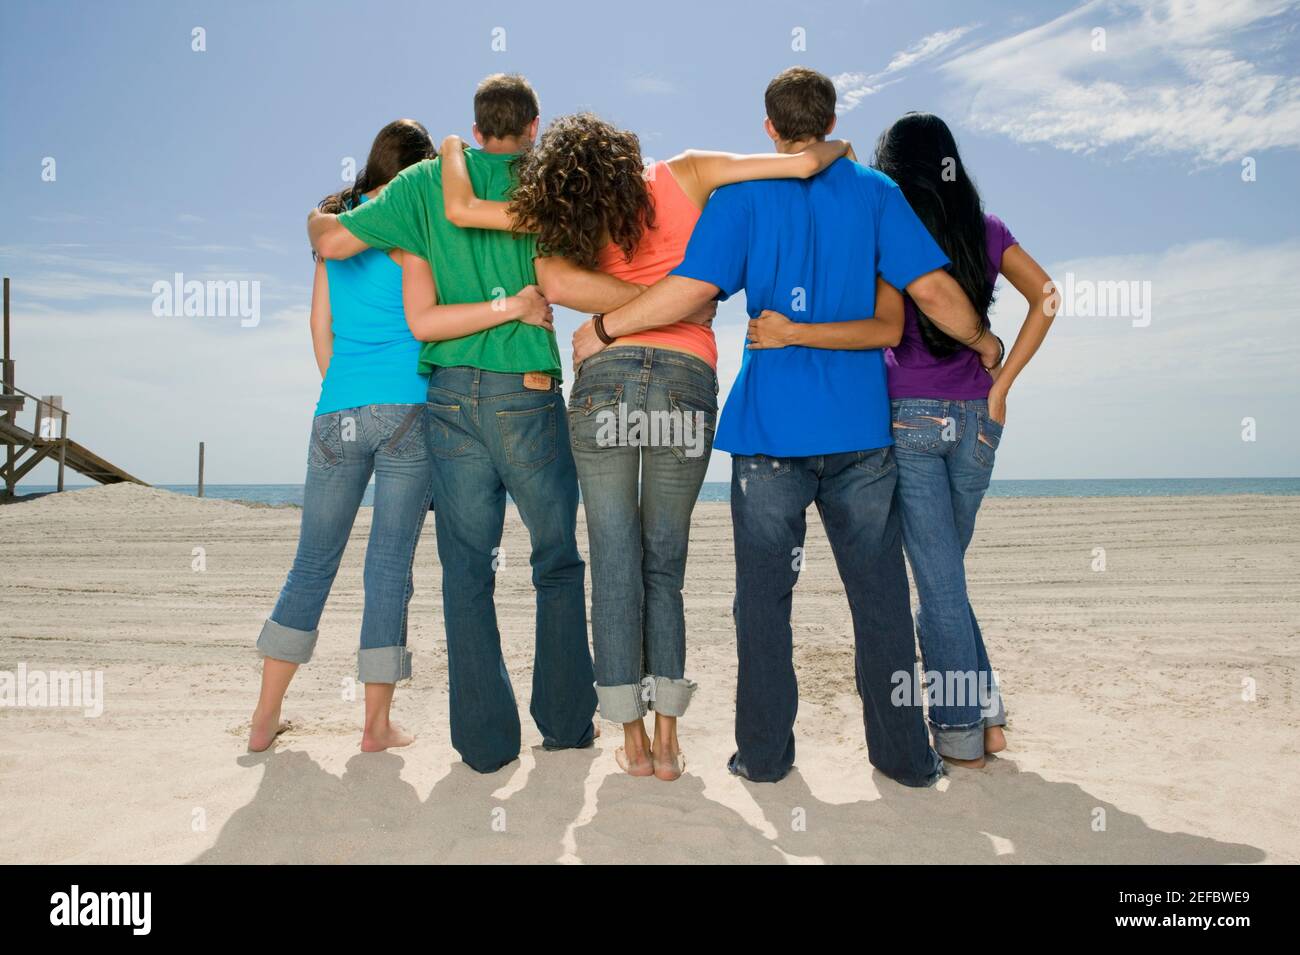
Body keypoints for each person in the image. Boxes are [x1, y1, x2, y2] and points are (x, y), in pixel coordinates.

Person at [594, 68, 1002, 786]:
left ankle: (764, 755)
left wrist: (606, 326)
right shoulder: (878, 193)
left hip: (769, 437)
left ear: (770, 129)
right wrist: (981, 341)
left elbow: (690, 290)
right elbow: (933, 291)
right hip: (861, 436)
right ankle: (905, 757)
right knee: (877, 600)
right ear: (832, 117)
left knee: (762, 603)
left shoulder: (740, 194)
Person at [438, 113, 850, 779]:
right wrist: (679, 305)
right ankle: (667, 738)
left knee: (612, 559)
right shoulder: (686, 171)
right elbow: (803, 166)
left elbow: (562, 286)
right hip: (685, 381)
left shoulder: (568, 215)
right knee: (665, 564)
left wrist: (623, 316)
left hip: (606, 383)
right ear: (625, 152)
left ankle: (626, 735)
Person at [306, 75, 597, 773]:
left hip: (449, 399)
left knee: (467, 570)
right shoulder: (548, 183)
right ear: (533, 128)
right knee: (555, 559)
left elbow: (334, 244)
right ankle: (564, 724)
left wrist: (323, 216)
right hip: (526, 390)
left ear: (475, 124)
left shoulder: (422, 185)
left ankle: (486, 745)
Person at [249, 120, 438, 754]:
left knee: (311, 561)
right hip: (409, 405)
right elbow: (426, 319)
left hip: (339, 408)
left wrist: (344, 396)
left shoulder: (334, 230)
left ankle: (263, 716)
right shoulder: (412, 222)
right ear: (418, 169)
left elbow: (319, 326)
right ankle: (375, 727)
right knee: (389, 567)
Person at [875, 112, 1058, 767]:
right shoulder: (986, 229)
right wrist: (1002, 383)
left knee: (939, 586)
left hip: (911, 422)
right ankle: (991, 719)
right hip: (980, 421)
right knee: (945, 575)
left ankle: (959, 735)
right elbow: (1048, 297)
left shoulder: (890, 230)